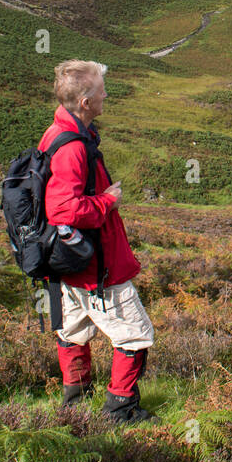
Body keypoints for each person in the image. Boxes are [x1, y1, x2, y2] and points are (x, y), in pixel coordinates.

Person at [40, 59, 154, 425]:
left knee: (73, 331)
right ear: (86, 102)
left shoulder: (59, 132)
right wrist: (108, 201)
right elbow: (63, 209)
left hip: (69, 264)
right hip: (95, 267)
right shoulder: (73, 147)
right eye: (101, 91)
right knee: (136, 335)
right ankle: (121, 409)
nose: (107, 95)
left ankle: (75, 402)